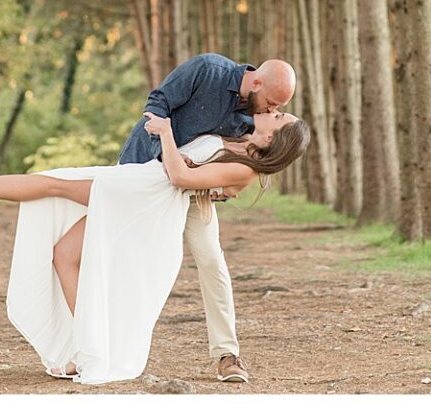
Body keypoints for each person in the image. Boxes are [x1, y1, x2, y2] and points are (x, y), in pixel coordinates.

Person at [0, 108, 309, 385]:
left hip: (146, 193)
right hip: (141, 184)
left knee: (52, 183)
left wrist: (167, 133)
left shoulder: (244, 170)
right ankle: (87, 345)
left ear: (274, 136)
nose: (273, 112)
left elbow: (177, 177)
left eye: (278, 117)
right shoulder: (236, 139)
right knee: (65, 254)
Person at [117, 53, 296, 383]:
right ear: (256, 82)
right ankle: (112, 343)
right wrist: (152, 168)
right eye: (271, 103)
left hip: (192, 192)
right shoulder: (208, 70)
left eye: (276, 109)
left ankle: (227, 355)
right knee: (130, 260)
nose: (271, 111)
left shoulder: (253, 122)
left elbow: (229, 162)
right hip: (146, 174)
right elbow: (157, 104)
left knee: (212, 260)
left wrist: (222, 186)